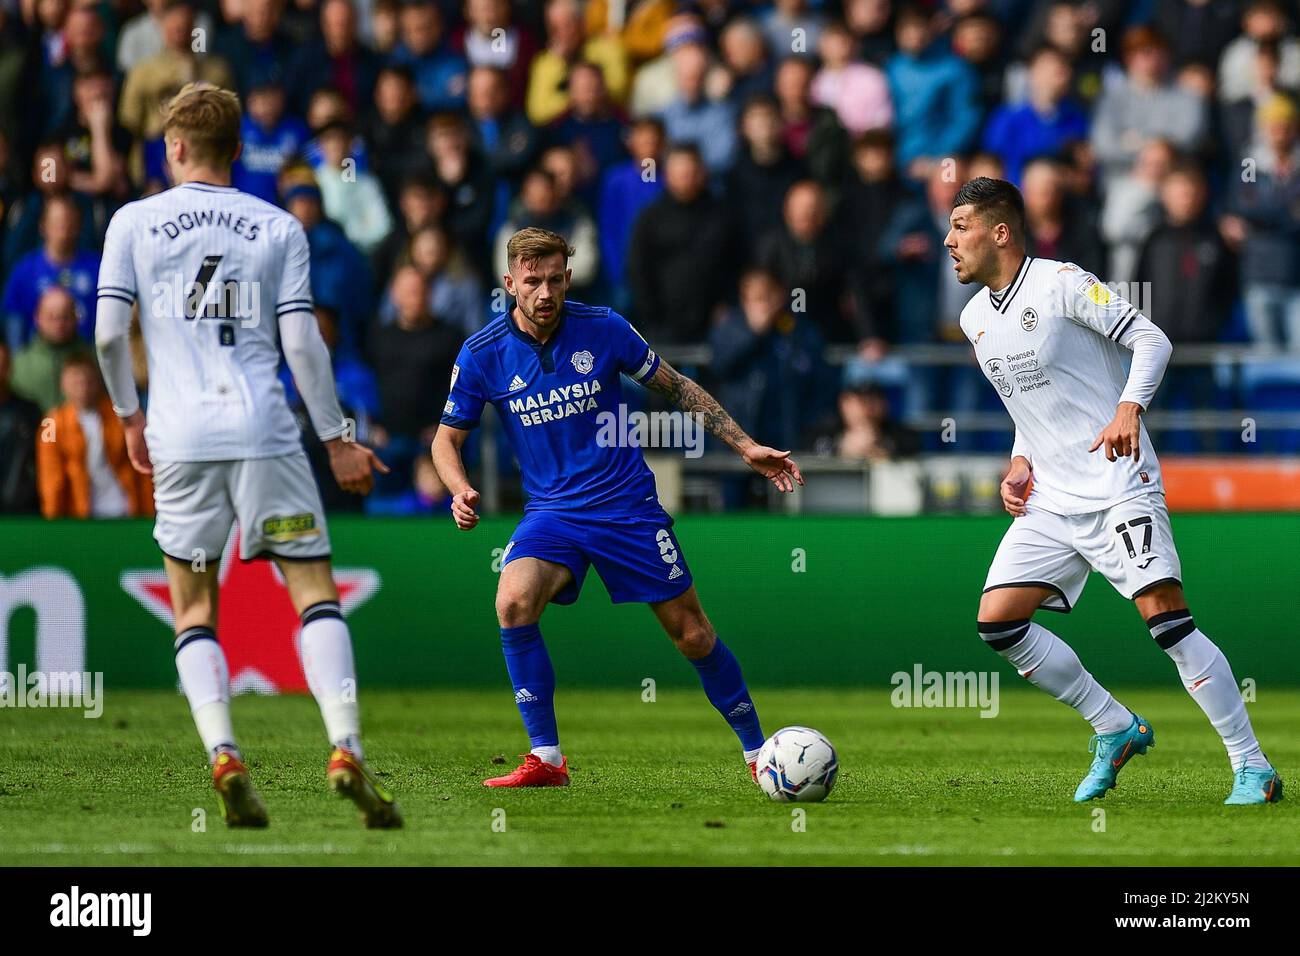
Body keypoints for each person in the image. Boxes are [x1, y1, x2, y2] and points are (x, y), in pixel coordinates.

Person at [93, 83, 401, 828]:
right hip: (265, 432)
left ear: (171, 149)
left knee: (193, 610)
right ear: (238, 151)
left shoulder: (133, 222)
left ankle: (225, 753)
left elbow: (107, 334)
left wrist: (129, 418)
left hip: (179, 437)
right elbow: (302, 342)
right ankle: (345, 745)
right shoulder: (278, 227)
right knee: (315, 594)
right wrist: (338, 440)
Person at [945, 177, 1281, 805]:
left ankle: (1253, 767)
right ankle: (1114, 726)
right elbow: (1032, 403)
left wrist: (1130, 408)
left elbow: (1153, 340)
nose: (948, 239)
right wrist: (1019, 461)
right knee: (998, 623)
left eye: (961, 226)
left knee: (1170, 626)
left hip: (1118, 482)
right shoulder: (972, 319)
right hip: (1050, 497)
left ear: (1000, 232)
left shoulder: (1063, 283)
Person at [431, 227, 803, 788]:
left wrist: (745, 444)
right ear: (510, 283)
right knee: (512, 601)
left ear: (568, 278)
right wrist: (458, 488)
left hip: (626, 506)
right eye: (532, 282)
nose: (545, 293)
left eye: (555, 279)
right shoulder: (482, 354)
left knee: (693, 635)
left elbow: (676, 388)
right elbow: (444, 440)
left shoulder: (603, 327)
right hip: (552, 514)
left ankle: (757, 752)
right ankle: (547, 759)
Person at [36, 354, 154, 518]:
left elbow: (142, 467)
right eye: (75, 382)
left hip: (125, 509)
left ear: (99, 382)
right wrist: (53, 520)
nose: (82, 387)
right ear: (63, 385)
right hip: (80, 514)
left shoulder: (122, 415)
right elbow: (51, 477)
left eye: (88, 381)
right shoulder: (51, 423)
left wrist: (149, 512)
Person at [0, 341, 41, 514]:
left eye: (2, 365)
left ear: (10, 368)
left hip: (22, 511)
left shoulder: (31, 412)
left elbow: (45, 459)